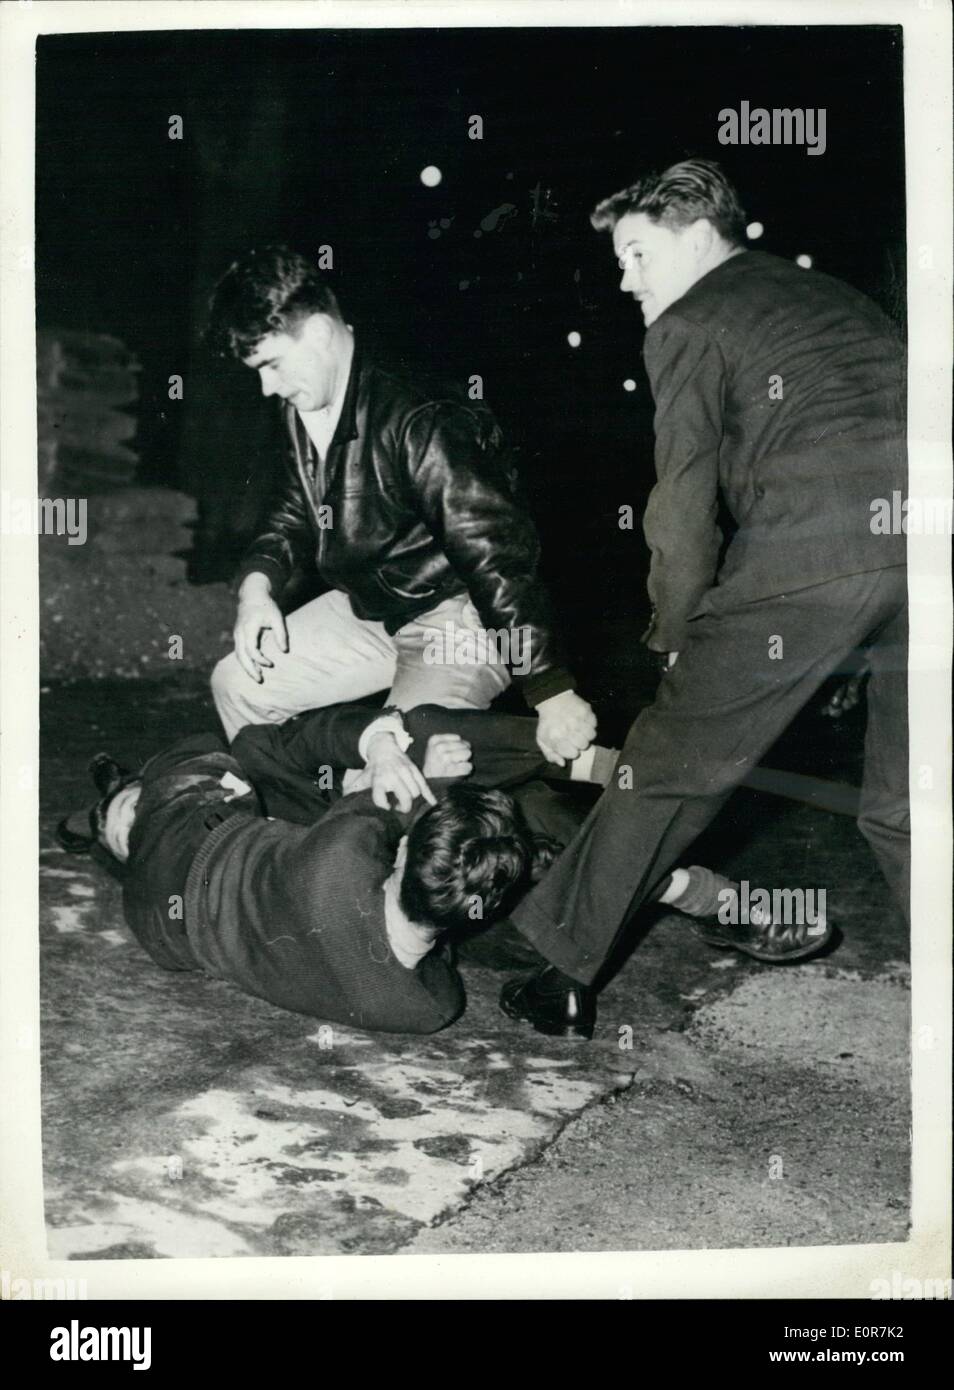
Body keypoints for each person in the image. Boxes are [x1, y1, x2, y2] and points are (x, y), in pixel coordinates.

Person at [500, 158, 907, 1039]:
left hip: (814, 546)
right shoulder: (831, 297)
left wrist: (682, 632)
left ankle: (564, 971)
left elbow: (681, 505)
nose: (625, 280)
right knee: (910, 801)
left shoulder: (688, 319)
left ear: (695, 237)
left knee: (668, 760)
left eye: (637, 255)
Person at [56, 701, 789, 1038]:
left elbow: (293, 750)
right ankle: (663, 863)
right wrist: (423, 789)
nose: (131, 816)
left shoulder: (427, 1008)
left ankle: (581, 763)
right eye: (119, 823)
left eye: (124, 806)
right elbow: (392, 833)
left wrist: (377, 745)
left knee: (422, 736)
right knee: (523, 848)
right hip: (350, 868)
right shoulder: (195, 800)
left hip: (340, 873)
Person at [204, 244, 596, 769]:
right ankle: (290, 840)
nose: (267, 387)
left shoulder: (420, 416)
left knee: (397, 767)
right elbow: (296, 509)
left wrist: (550, 689)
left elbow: (494, 556)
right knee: (238, 684)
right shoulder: (309, 402)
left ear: (319, 333)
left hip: (457, 617)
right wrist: (257, 591)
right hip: (374, 607)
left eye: (271, 363)